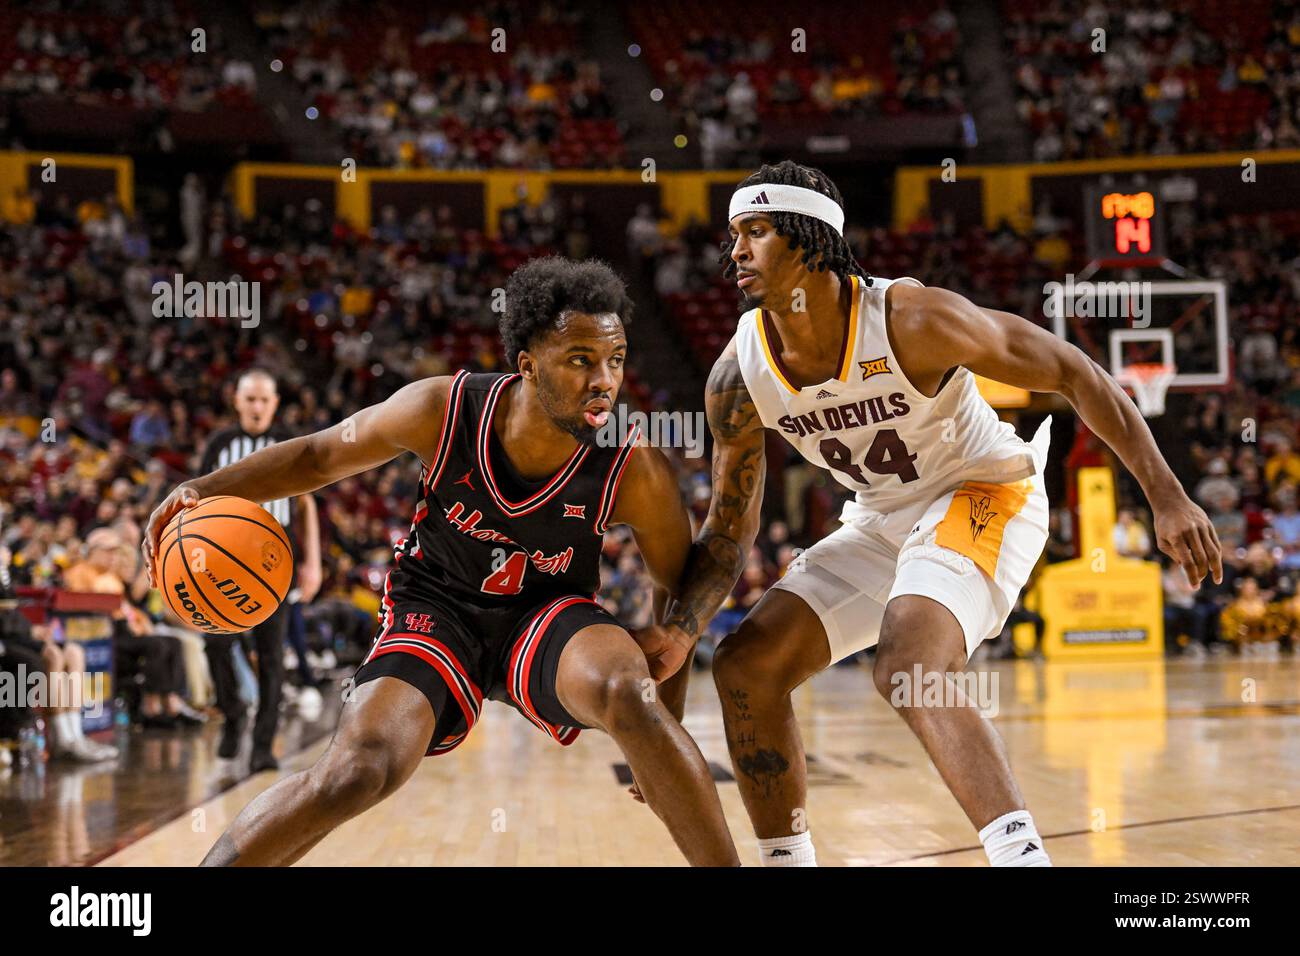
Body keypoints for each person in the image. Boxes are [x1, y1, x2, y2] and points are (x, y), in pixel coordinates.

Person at [635, 160, 1222, 867]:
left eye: (754, 232)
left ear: (809, 239)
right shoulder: (739, 372)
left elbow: (1073, 370)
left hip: (983, 490)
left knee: (909, 659)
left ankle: (1021, 858)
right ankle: (788, 860)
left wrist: (1166, 495)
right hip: (880, 517)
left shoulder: (913, 319)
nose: (734, 252)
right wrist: (676, 648)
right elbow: (729, 530)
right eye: (733, 235)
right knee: (744, 667)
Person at [143, 257, 738, 867]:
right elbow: (321, 456)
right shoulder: (443, 408)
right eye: (580, 359)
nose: (605, 381)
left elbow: (677, 587)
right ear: (528, 364)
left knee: (625, 688)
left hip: (546, 614)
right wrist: (204, 488)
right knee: (357, 771)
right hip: (436, 607)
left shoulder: (632, 465)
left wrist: (665, 724)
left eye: (615, 360)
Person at [196, 368, 322, 772]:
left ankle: (263, 747)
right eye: (249, 399)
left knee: (271, 657)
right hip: (224, 562)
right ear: (236, 401)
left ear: (275, 403)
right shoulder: (219, 444)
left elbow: (305, 503)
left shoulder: (287, 442)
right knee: (216, 643)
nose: (256, 406)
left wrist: (313, 561)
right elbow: (198, 500)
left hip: (274, 563)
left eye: (263, 399)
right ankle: (232, 714)